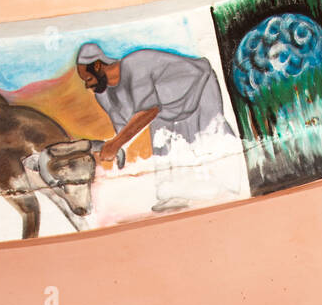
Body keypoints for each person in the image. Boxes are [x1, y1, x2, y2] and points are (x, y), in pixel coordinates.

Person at [75, 41, 237, 212]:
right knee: (162, 141)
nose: (87, 85)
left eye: (88, 78)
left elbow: (148, 111)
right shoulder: (103, 93)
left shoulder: (134, 65)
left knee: (211, 134)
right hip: (165, 108)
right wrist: (114, 146)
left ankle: (227, 188)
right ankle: (172, 195)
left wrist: (115, 145)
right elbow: (124, 127)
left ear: (98, 66)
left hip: (198, 87)